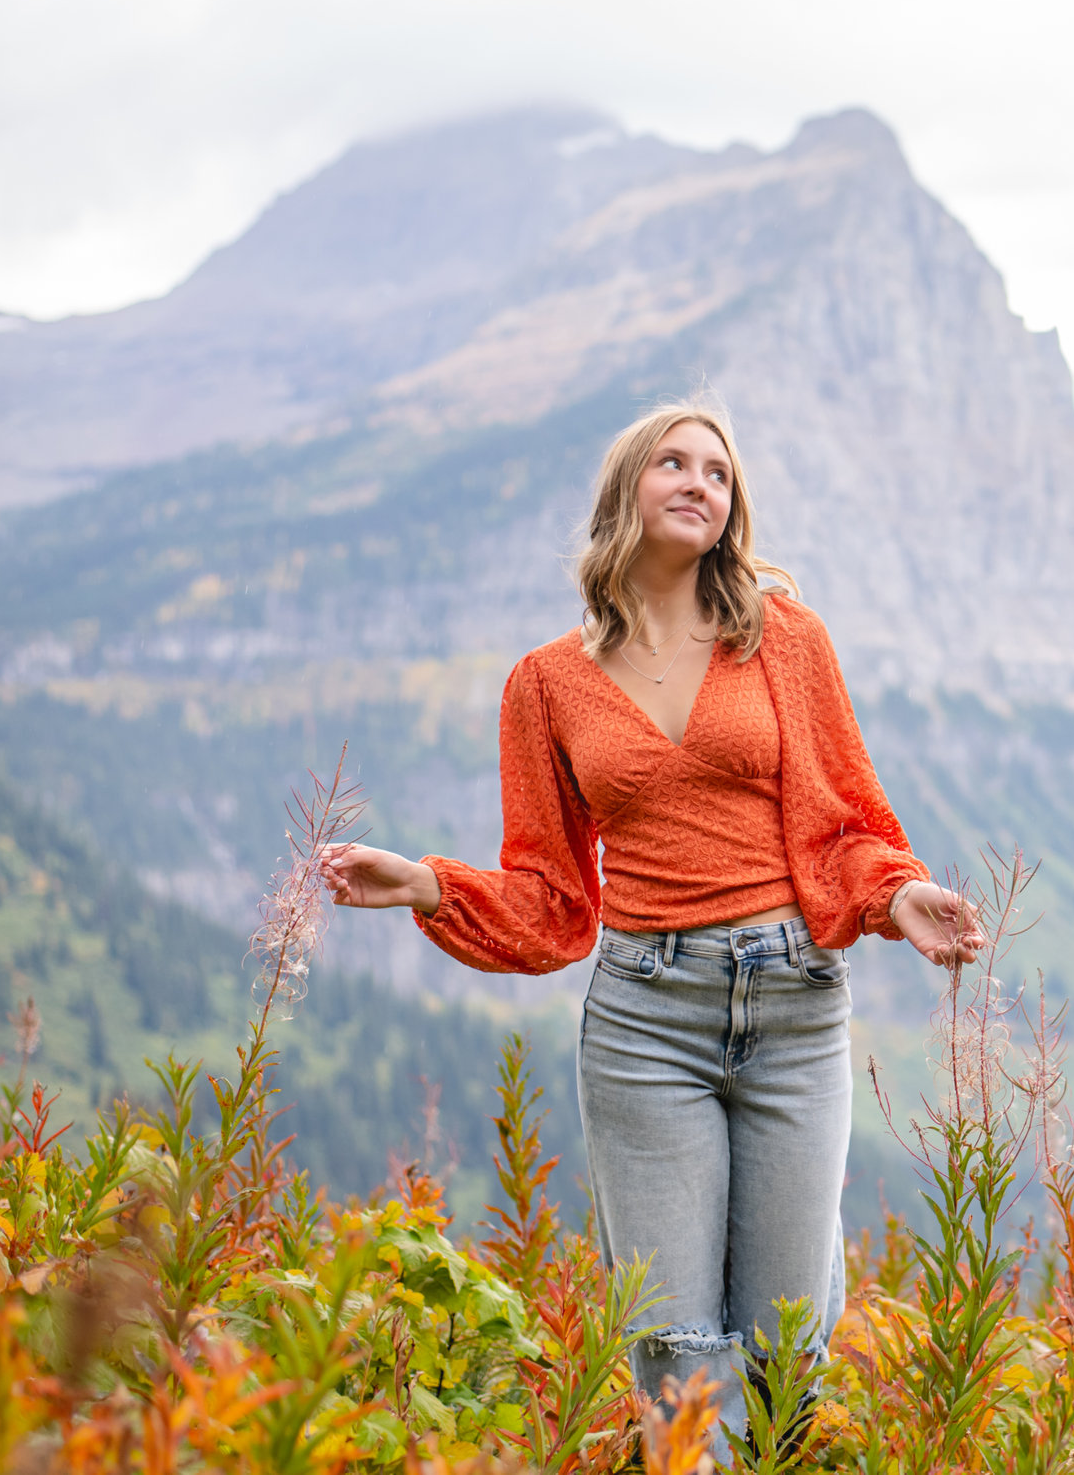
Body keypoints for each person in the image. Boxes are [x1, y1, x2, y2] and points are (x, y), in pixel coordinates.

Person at [320, 399, 981, 1449]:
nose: (697, 482)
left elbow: (844, 823)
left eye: (717, 472)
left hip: (794, 1008)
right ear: (626, 489)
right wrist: (426, 884)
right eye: (672, 462)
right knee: (677, 1347)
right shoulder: (546, 684)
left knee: (784, 1341)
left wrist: (898, 896)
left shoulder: (786, 642)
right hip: (645, 1022)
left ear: (732, 508)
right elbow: (550, 899)